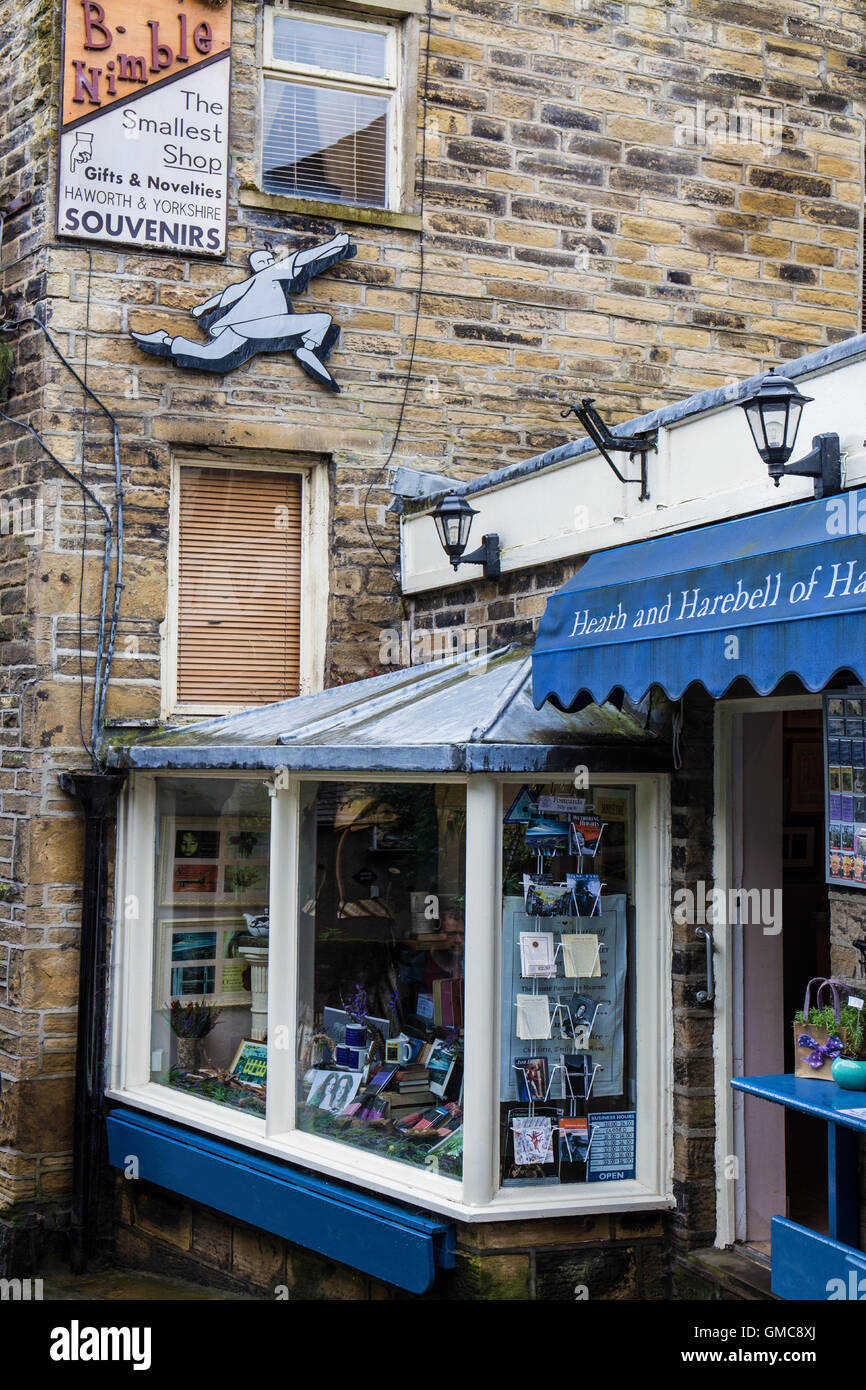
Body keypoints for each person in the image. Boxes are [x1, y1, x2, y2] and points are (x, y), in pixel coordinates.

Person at [131, 233, 357, 391]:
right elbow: (300, 259)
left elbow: (227, 295)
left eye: (270, 259)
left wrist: (202, 307)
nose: (270, 262)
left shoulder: (255, 282)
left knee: (213, 355)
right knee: (321, 320)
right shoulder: (268, 274)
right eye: (264, 260)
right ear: (257, 265)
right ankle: (308, 348)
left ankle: (166, 341)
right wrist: (334, 245)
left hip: (243, 328)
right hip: (263, 324)